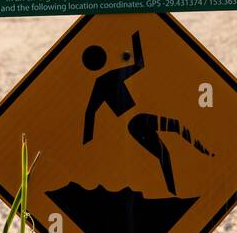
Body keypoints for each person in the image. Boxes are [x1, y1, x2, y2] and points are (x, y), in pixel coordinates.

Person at [81, 31, 212, 195]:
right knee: (167, 146)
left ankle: (175, 188)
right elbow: (140, 64)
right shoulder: (108, 77)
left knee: (165, 152)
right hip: (137, 121)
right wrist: (135, 37)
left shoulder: (100, 82)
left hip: (136, 122)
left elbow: (90, 113)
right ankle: (203, 156)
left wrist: (87, 142)